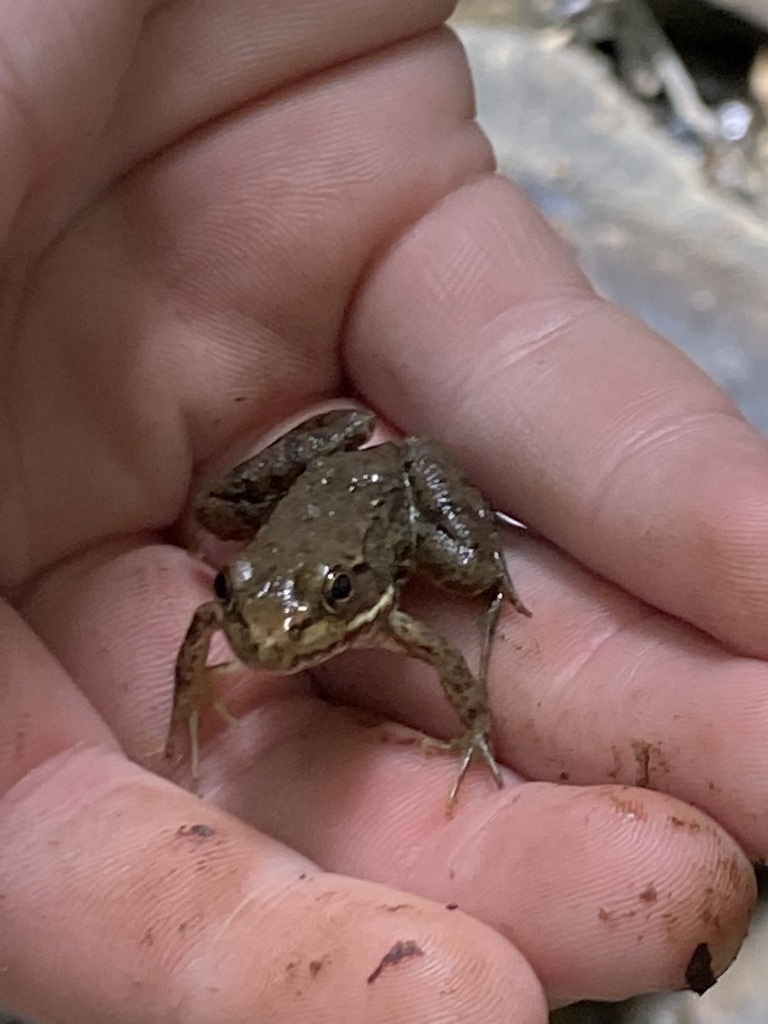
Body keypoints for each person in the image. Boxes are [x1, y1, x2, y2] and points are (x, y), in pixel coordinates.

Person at [1, 2, 765, 1021]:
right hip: (312, 500)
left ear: (352, 602)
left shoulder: (388, 614)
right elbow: (206, 623)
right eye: (243, 601)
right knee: (228, 516)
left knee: (472, 573)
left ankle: (468, 571)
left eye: (311, 613)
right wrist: (198, 684)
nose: (264, 637)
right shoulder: (242, 610)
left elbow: (447, 660)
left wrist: (474, 727)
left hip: (389, 492)